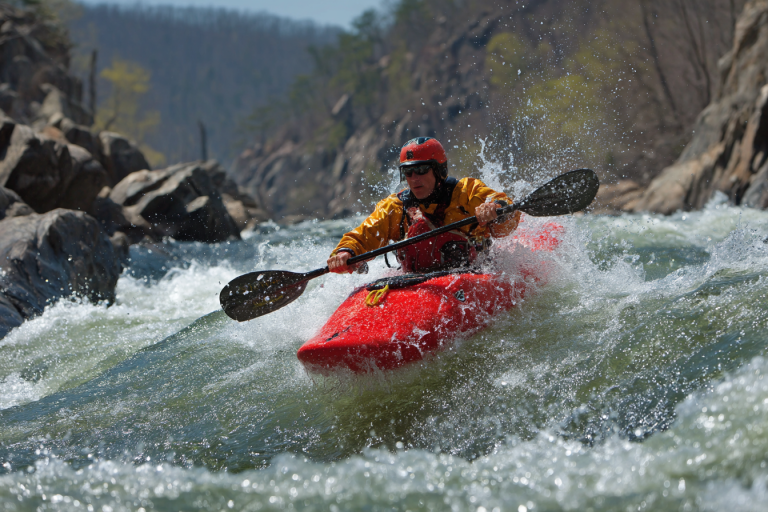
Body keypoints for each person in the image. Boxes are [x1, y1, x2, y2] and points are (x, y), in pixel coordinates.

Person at [327, 137, 522, 274]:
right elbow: (364, 235)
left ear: (439, 170)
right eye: (408, 172)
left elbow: (506, 214)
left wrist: (495, 209)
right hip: (417, 280)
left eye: (421, 170)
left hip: (473, 272)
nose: (414, 178)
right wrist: (345, 252)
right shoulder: (395, 207)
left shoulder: (466, 192)